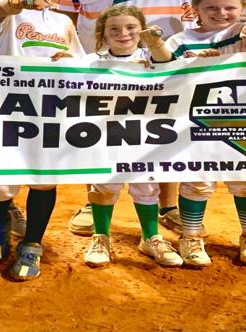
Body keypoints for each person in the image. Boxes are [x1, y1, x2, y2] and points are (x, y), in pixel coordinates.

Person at [158, 0, 246, 268]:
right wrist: (194, 66)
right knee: (196, 180)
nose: (221, 13)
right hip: (196, 121)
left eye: (230, 7)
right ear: (195, 9)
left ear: (242, 7)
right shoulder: (179, 41)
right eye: (211, 7)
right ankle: (191, 236)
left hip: (244, 119)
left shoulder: (245, 33)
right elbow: (167, 80)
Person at [67, 0, 192, 236]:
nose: (123, 33)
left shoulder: (153, 55)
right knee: (103, 182)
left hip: (145, 134)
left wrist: (154, 43)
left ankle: (151, 236)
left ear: (141, 30)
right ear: (103, 33)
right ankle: (101, 236)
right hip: (106, 135)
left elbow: (168, 64)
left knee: (146, 184)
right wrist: (62, 63)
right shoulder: (90, 61)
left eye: (131, 28)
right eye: (114, 29)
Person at [0, 0, 86, 281]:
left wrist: (70, 60)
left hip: (49, 109)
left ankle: (32, 245)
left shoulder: (63, 21)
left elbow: (79, 61)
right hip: (5, 105)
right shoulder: (6, 11)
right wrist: (21, 3)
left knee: (44, 178)